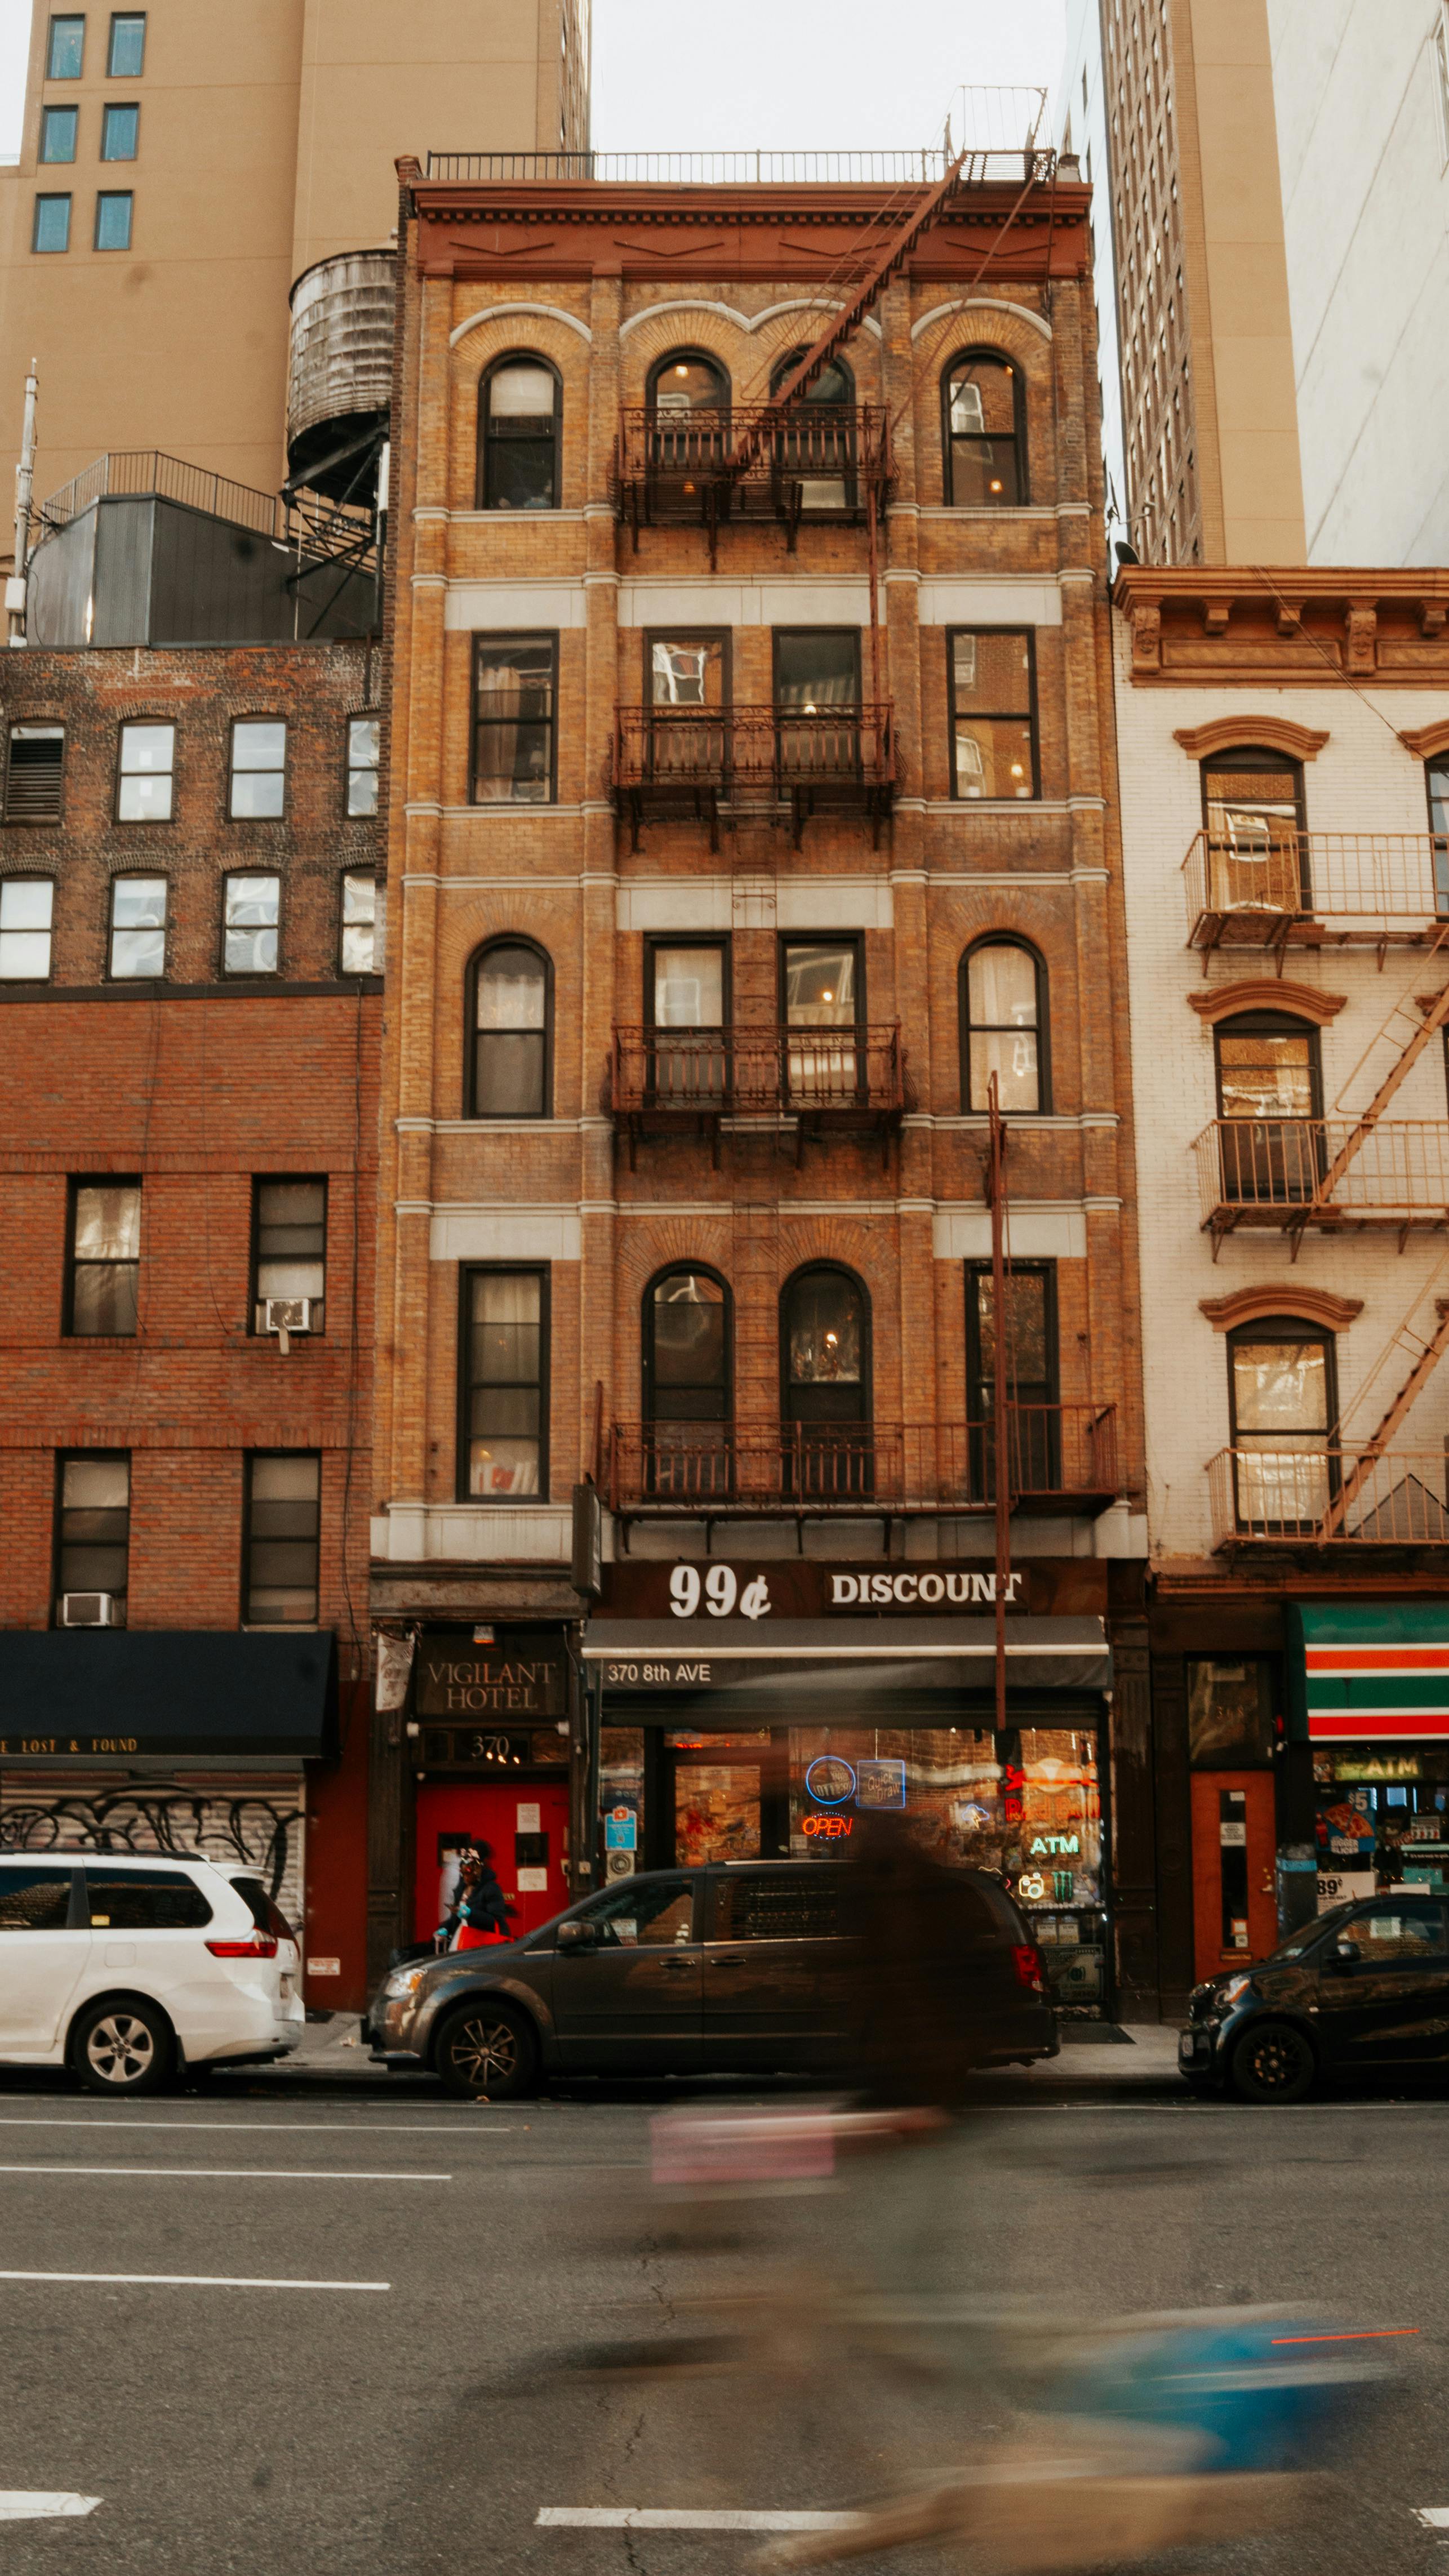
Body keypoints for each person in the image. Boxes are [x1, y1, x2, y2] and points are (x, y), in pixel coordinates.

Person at [451, 1843, 516, 1951]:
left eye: (468, 1871)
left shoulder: (490, 1888)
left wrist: (470, 1913)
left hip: (482, 1941)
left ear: (477, 1870)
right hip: (465, 1937)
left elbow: (494, 1921)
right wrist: (444, 1929)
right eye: (462, 1872)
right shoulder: (462, 1888)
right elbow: (455, 1920)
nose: (464, 1876)